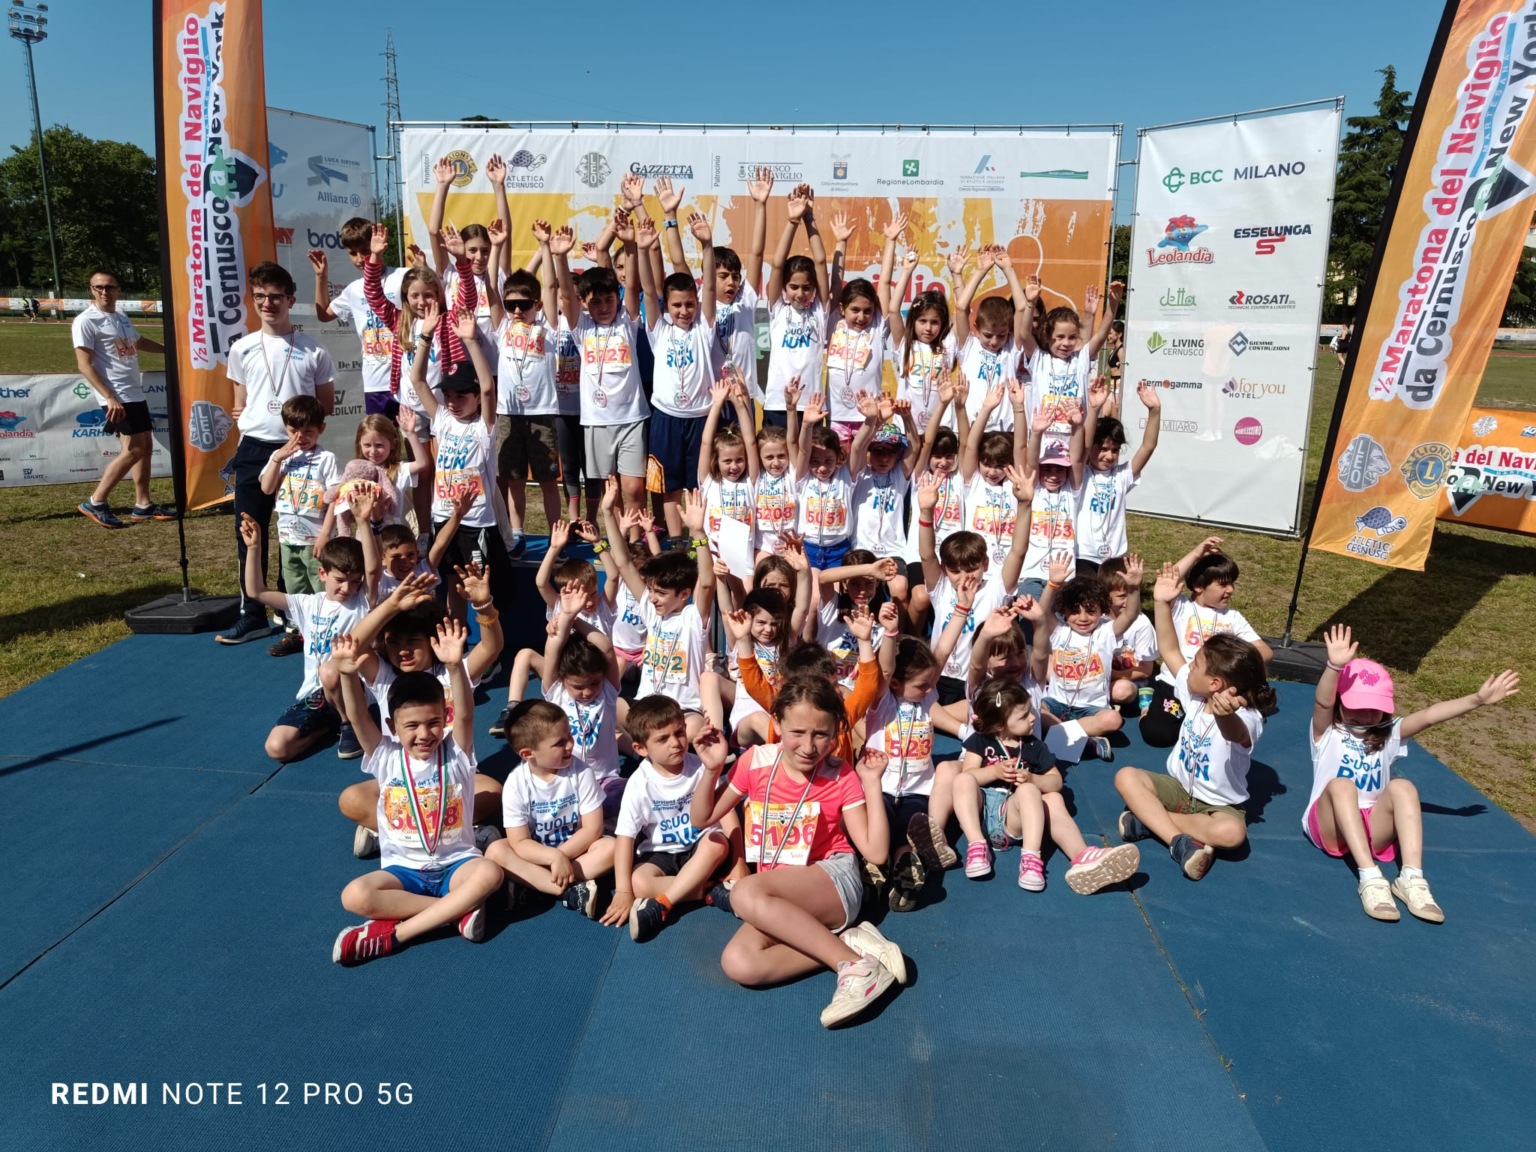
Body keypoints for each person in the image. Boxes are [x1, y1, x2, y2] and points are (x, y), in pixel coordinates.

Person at [689, 685, 907, 1029]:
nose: (808, 747)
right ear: (777, 723)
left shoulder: (840, 774)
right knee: (740, 962)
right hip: (778, 897)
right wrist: (712, 769)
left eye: (821, 734)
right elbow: (702, 817)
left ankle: (856, 968)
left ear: (836, 731)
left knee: (744, 892)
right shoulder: (755, 762)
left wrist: (871, 783)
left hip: (832, 882)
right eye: (797, 733)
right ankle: (846, 943)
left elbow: (876, 852)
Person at [1305, 624, 1519, 922]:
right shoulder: (1327, 733)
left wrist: (1477, 700)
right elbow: (1322, 702)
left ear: (1385, 710)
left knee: (1403, 787)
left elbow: (1429, 715)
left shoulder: (1390, 734)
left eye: (1373, 708)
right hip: (1330, 824)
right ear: (1341, 704)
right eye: (1356, 706)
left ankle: (1411, 877)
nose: (1365, 715)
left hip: (1372, 828)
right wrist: (1334, 666)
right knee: (1342, 785)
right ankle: (1370, 877)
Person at [328, 627, 504, 965]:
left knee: (489, 873)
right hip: (403, 871)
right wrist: (348, 677)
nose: (425, 734)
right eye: (412, 726)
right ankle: (457, 912)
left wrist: (455, 668)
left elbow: (466, 714)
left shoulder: (458, 752)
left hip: (457, 864)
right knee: (354, 895)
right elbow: (358, 716)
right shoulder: (385, 756)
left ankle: (394, 935)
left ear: (446, 718)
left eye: (434, 723)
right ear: (392, 727)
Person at [1114, 561, 1277, 882]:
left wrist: (1224, 714)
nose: (1189, 665)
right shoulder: (1194, 694)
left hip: (1216, 805)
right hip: (1177, 788)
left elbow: (1237, 736)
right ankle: (1179, 842)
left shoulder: (1246, 715)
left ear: (1215, 683)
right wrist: (1161, 603)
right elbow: (1171, 649)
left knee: (1232, 833)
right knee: (1126, 777)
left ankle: (1151, 822)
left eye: (1198, 663)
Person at [217, 263, 335, 645]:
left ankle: (292, 615)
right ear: (254, 301)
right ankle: (250, 613)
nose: (268, 303)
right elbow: (240, 403)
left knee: (295, 533)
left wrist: (297, 437)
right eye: (261, 297)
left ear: (290, 299)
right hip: (255, 450)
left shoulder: (313, 349)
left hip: (299, 451)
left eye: (276, 297)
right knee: (249, 532)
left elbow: (325, 404)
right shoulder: (242, 348)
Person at [955, 677, 1140, 893]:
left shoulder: (1034, 746)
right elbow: (968, 775)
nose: (1033, 718)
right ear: (999, 725)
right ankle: (977, 846)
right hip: (981, 815)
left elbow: (1056, 781)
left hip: (1013, 819)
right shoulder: (981, 739)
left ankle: (1060, 856)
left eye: (1031, 711)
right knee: (962, 779)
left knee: (1047, 795)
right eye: (1024, 716)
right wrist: (993, 771)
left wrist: (1033, 779)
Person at [408, 300, 515, 619]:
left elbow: (487, 388)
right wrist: (425, 337)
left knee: (481, 588)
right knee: (452, 584)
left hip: (476, 521)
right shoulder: (441, 418)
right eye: (449, 395)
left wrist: (470, 340)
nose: (453, 402)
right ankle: (457, 638)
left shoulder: (485, 426)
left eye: (460, 396)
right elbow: (417, 381)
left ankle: (491, 654)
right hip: (444, 516)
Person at [602, 696, 739, 942]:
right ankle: (709, 890)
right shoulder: (639, 783)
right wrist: (623, 890)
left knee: (717, 842)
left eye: (679, 733)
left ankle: (664, 902)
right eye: (663, 739)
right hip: (662, 853)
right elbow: (625, 837)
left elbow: (726, 812)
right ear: (641, 749)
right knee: (639, 883)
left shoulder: (700, 767)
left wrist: (738, 862)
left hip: (701, 847)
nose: (675, 743)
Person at [236, 514, 368, 762]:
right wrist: (254, 548)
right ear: (322, 573)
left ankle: (350, 722)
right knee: (277, 749)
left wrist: (364, 521)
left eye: (355, 582)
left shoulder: (362, 602)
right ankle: (328, 726)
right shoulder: (307, 604)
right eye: (340, 581)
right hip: (316, 694)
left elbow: (371, 570)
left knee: (330, 671)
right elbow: (256, 591)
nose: (348, 589)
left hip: (352, 687)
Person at [553, 213, 651, 523]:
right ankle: (618, 542)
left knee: (634, 488)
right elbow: (566, 294)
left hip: (632, 417)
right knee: (611, 490)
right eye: (596, 302)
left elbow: (632, 285)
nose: (604, 307)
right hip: (597, 420)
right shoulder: (581, 328)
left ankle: (636, 544)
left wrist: (630, 243)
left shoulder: (627, 321)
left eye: (609, 300)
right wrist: (560, 256)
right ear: (585, 303)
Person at [485, 700, 616, 917]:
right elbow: (519, 842)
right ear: (528, 754)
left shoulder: (581, 772)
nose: (570, 745)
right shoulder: (516, 783)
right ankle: (567, 891)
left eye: (569, 736)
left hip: (576, 852)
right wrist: (552, 858)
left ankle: (534, 884)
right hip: (536, 855)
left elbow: (593, 830)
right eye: (559, 743)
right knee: (496, 851)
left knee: (612, 848)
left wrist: (560, 857)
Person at [1139, 537, 1274, 747]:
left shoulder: (1233, 617)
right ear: (1199, 586)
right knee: (1158, 735)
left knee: (1223, 736)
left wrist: (1228, 660)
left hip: (1214, 688)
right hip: (1178, 681)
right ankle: (1146, 707)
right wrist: (1195, 554)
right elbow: (1168, 583)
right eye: (1223, 584)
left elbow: (1265, 652)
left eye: (1232, 583)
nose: (1231, 590)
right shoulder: (1182, 606)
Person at [485, 219, 565, 556]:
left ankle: (554, 538)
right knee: (514, 480)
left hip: (542, 413)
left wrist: (546, 246)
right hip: (509, 414)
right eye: (511, 304)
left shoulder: (549, 327)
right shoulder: (502, 326)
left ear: (537, 305)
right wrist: (496, 247)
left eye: (525, 304)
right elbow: (490, 286)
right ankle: (516, 534)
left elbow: (551, 286)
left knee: (548, 482)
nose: (518, 310)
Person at [610, 489, 719, 737]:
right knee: (608, 703)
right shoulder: (651, 610)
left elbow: (706, 584)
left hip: (681, 709)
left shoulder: (693, 617)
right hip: (646, 706)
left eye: (660, 593)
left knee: (693, 730)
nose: (652, 598)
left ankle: (647, 747)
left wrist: (698, 533)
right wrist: (607, 514)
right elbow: (625, 563)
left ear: (683, 594)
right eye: (651, 590)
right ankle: (645, 749)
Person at [73, 268, 172, 527]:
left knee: (145, 449)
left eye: (109, 287)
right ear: (91, 290)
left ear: (118, 290)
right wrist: (109, 397)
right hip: (116, 395)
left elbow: (136, 343)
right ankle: (95, 501)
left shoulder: (120, 315)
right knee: (134, 449)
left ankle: (143, 505)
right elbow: (84, 364)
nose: (104, 292)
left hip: (133, 392)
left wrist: (170, 351)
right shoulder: (86, 321)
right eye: (99, 287)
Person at [641, 209, 718, 538]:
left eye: (689, 304)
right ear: (667, 306)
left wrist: (708, 246)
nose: (684, 311)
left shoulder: (704, 328)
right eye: (677, 306)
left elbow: (711, 287)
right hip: (667, 417)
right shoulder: (659, 329)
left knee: (699, 485)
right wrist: (643, 251)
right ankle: (675, 542)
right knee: (669, 488)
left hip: (700, 417)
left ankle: (697, 541)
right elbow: (647, 291)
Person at [1032, 553, 1145, 763]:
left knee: (1113, 719)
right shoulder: (1059, 630)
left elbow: (1130, 615)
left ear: (1102, 609)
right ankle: (1085, 740)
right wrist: (1052, 584)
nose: (1083, 618)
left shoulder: (1107, 631)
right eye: (1075, 612)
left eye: (1091, 612)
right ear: (1064, 611)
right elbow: (1041, 610)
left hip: (1092, 708)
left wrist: (1134, 588)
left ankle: (1060, 733)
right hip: (1056, 703)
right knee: (1034, 708)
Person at [258, 396, 340, 658]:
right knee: (294, 588)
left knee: (320, 587)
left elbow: (336, 499)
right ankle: (300, 632)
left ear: (321, 429)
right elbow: (266, 488)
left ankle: (327, 630)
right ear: (285, 428)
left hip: (315, 538)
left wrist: (326, 534)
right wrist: (278, 459)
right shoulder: (279, 456)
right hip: (287, 537)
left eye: (308, 432)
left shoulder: (326, 458)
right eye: (294, 431)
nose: (301, 437)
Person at [309, 217, 405, 419]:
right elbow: (324, 314)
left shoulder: (403, 277)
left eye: (365, 251)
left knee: (418, 439)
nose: (360, 258)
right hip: (375, 381)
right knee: (381, 442)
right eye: (353, 253)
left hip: (408, 375)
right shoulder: (354, 290)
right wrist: (321, 277)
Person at [1018, 273, 1122, 450]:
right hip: (1042, 442)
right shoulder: (1039, 359)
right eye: (1059, 337)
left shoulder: (1080, 359)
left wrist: (1113, 304)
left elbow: (1102, 335)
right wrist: (1030, 303)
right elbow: (1024, 334)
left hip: (1073, 442)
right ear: (1047, 335)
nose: (1066, 343)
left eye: (1072, 337)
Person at [821, 214, 898, 443]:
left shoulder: (876, 328)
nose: (862, 316)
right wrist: (841, 243)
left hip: (869, 415)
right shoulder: (834, 322)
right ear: (843, 308)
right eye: (855, 310)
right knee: (840, 469)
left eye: (868, 310)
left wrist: (891, 240)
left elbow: (884, 282)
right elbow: (836, 282)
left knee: (867, 472)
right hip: (836, 417)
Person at [762, 184, 831, 427]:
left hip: (810, 405)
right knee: (776, 464)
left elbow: (821, 262)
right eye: (794, 287)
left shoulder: (819, 312)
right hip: (777, 403)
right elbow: (777, 265)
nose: (800, 293)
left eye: (806, 287)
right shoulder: (778, 309)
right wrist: (792, 222)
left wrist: (809, 218)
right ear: (784, 288)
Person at [1077, 378, 1161, 574]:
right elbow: (1085, 444)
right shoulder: (1080, 473)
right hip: (1084, 555)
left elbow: (1149, 446)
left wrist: (1154, 410)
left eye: (1115, 450)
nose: (1109, 456)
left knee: (1119, 602)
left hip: (1115, 557)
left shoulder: (1123, 475)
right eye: (1103, 449)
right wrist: (1094, 408)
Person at [950, 245, 1029, 432]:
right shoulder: (969, 346)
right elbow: (961, 308)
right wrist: (980, 271)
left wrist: (1008, 270)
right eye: (988, 335)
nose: (994, 341)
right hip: (970, 426)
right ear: (976, 329)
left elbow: (1021, 309)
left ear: (1009, 331)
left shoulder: (1011, 347)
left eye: (1001, 335)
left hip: (1004, 430)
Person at [794, 390, 860, 570]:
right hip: (809, 548)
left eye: (828, 461)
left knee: (836, 596)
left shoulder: (845, 476)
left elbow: (859, 446)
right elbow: (803, 451)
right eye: (815, 462)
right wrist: (806, 425)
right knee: (814, 597)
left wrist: (870, 421)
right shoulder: (803, 477)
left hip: (839, 549)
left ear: (838, 456)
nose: (822, 468)